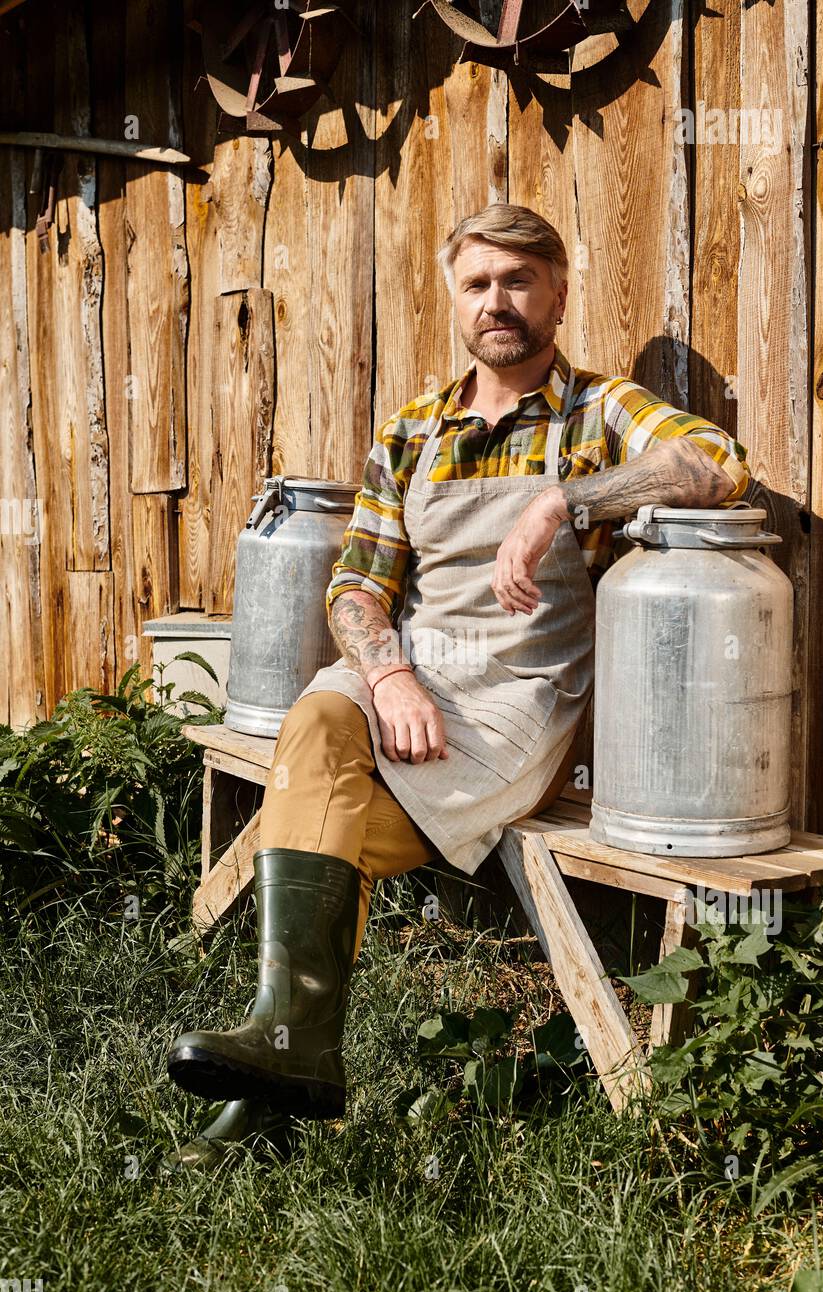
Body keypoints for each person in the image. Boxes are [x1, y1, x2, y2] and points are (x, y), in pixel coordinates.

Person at [162, 203, 749, 1169]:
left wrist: (569, 498)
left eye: (519, 280)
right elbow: (357, 583)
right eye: (478, 284)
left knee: (322, 812)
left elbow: (722, 464)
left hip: (516, 703)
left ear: (558, 292)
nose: (498, 302)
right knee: (317, 719)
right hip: (410, 678)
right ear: (454, 299)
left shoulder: (598, 413)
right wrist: (388, 673)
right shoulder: (413, 432)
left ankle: (276, 1078)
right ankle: (292, 1043)